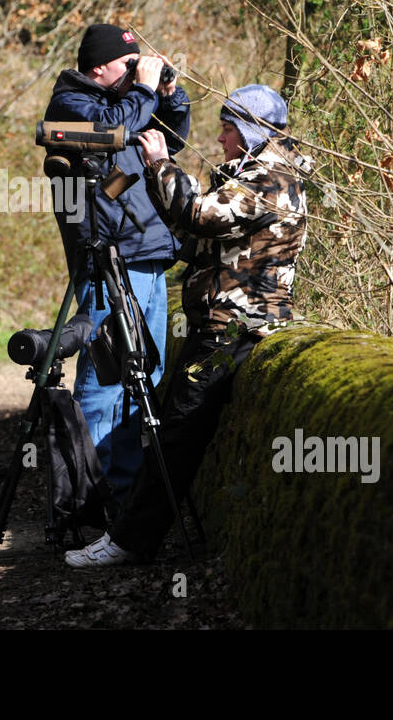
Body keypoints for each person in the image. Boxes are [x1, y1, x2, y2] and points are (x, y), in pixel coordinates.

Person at [65, 84, 314, 567]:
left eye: (226, 128)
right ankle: (133, 535)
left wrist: (160, 163)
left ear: (250, 130)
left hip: (235, 327)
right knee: (172, 431)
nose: (219, 139)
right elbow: (200, 236)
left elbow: (200, 215)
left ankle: (128, 543)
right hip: (230, 323)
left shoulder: (270, 179)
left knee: (173, 436)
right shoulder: (262, 171)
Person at [44, 23, 191, 511]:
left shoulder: (130, 101)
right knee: (108, 373)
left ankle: (124, 492)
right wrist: (145, 88)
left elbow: (172, 141)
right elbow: (113, 132)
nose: (134, 70)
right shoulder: (71, 104)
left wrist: (169, 95)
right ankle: (93, 495)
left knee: (146, 372)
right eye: (126, 64)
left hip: (147, 253)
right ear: (99, 66)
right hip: (106, 257)